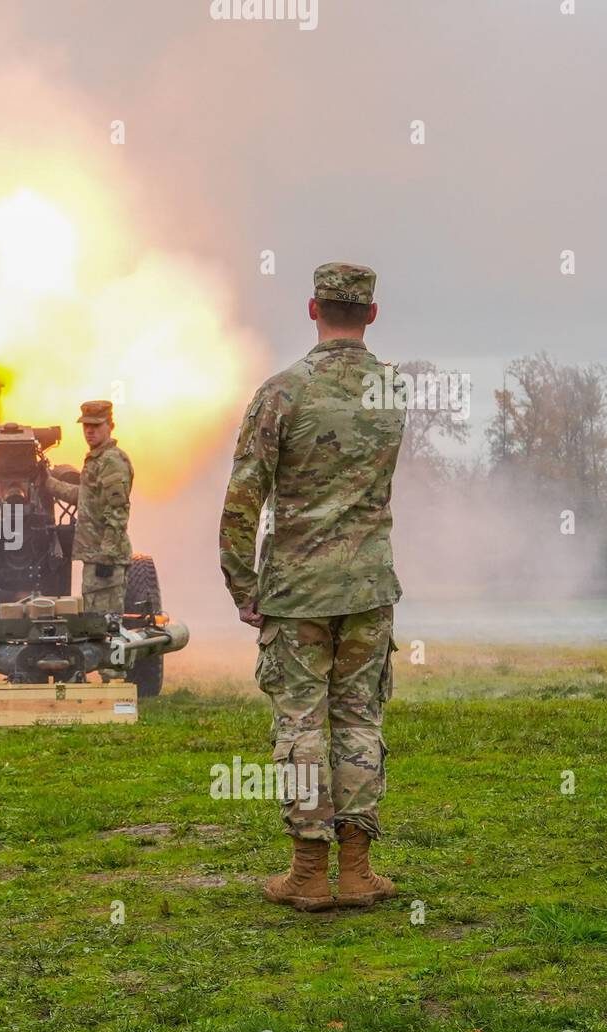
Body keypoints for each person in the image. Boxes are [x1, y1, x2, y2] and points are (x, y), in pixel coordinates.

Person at [219, 262, 403, 912]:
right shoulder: (392, 391)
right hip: (369, 585)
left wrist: (243, 584)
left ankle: (307, 873)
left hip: (296, 591)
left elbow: (243, 499)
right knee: (359, 718)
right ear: (371, 314)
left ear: (312, 308)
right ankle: (357, 870)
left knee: (300, 723)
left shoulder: (281, 393)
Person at [45, 400, 134, 631]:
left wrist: (106, 555)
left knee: (106, 632)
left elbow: (117, 512)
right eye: (86, 426)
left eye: (96, 425)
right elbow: (85, 497)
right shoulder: (97, 459)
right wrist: (49, 483)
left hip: (105, 563)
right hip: (95, 559)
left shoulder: (112, 461)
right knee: (96, 630)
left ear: (110, 425)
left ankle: (114, 670)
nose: (90, 431)